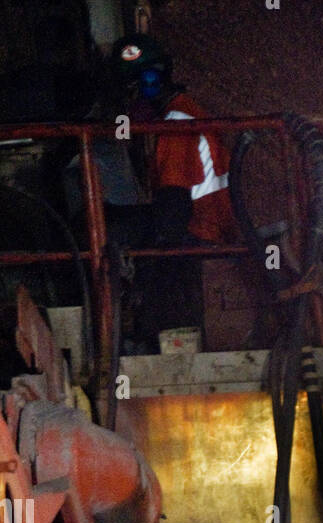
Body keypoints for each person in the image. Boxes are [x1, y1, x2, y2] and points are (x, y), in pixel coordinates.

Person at [110, 35, 238, 346]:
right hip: (210, 229)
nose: (130, 101)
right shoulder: (185, 111)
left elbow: (173, 209)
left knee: (139, 251)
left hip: (200, 234)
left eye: (133, 89)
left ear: (151, 82)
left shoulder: (175, 123)